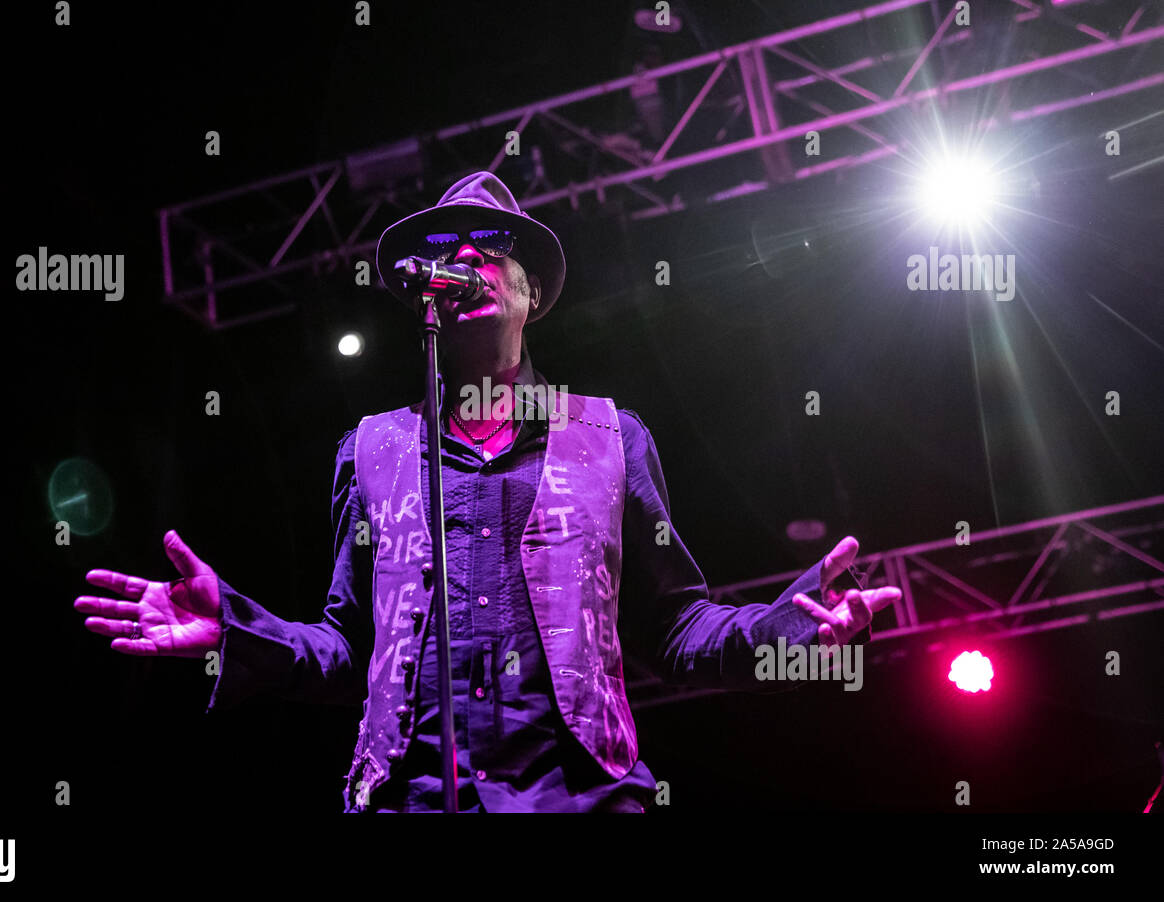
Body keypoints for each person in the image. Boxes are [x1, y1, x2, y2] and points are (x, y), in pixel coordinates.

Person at [73, 171, 900, 812]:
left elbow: (673, 625)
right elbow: (351, 648)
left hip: (581, 796)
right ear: (422, 294)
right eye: (449, 245)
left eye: (490, 245)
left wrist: (790, 630)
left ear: (530, 294)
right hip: (411, 798)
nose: (466, 256)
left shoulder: (610, 436)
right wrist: (235, 632)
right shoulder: (372, 451)